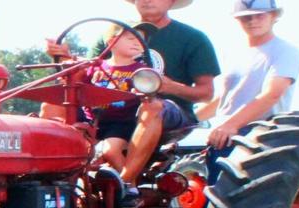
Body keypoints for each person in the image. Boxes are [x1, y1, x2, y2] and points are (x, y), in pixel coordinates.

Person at [47, 0, 218, 187]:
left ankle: (127, 185)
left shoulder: (192, 38)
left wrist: (167, 87)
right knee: (52, 103)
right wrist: (67, 59)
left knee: (152, 106)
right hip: (108, 109)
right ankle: (56, 180)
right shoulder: (114, 33)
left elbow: (206, 93)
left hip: (166, 112)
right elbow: (87, 73)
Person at [202, 0, 299, 184]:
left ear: (274, 16)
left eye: (259, 15)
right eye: (245, 17)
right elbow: (224, 99)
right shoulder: (233, 53)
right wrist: (189, 120)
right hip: (222, 136)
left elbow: (272, 94)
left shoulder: (285, 51)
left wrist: (231, 125)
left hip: (258, 135)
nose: (252, 21)